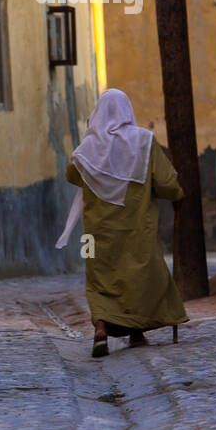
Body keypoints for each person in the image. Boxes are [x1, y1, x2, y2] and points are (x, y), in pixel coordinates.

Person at [56, 88, 188, 358]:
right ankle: (136, 330)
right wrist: (178, 194)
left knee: (101, 280)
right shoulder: (144, 142)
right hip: (137, 229)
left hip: (99, 232)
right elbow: (166, 184)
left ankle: (102, 328)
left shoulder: (89, 147)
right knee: (140, 276)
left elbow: (72, 174)